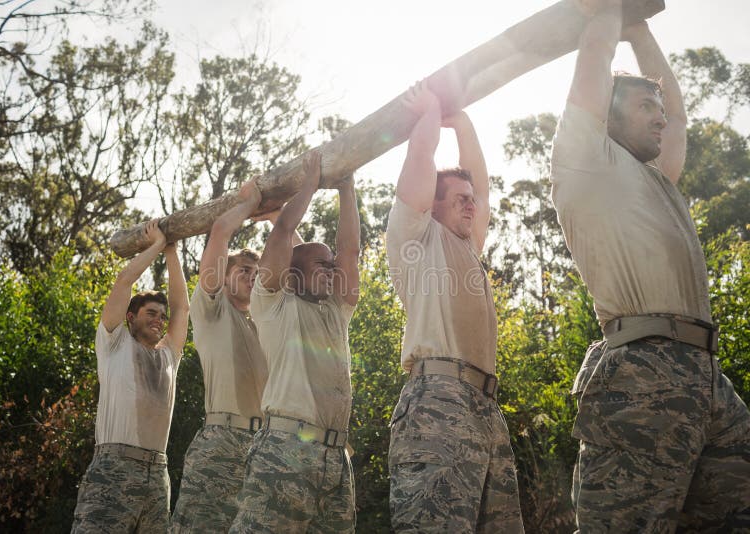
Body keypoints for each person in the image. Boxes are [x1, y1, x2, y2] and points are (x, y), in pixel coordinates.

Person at [550, 2, 750, 530]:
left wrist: (639, 31)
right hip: (641, 373)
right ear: (609, 116)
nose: (661, 117)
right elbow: (594, 56)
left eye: (657, 108)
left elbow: (680, 116)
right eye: (645, 106)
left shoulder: (658, 178)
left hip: (706, 378)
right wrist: (610, 13)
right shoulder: (586, 161)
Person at [385, 80, 524, 532]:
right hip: (437, 399)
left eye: (472, 200)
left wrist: (461, 121)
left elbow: (480, 182)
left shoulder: (471, 246)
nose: (471, 203)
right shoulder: (417, 239)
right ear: (434, 204)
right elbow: (420, 162)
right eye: (460, 199)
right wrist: (429, 114)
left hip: (486, 406)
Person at [229, 151, 360, 533]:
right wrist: (311, 181)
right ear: (293, 274)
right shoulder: (272, 304)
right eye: (322, 265)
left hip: (336, 458)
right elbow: (284, 232)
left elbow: (350, 251)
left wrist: (347, 188)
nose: (333, 270)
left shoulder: (335, 311)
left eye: (332, 266)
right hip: (285, 451)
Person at [71, 220, 189, 533]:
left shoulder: (168, 356)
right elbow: (124, 282)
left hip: (157, 473)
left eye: (161, 317)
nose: (159, 320)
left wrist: (172, 251)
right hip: (114, 468)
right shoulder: (114, 343)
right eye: (151, 313)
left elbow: (182, 309)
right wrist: (154, 246)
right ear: (130, 317)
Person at [170, 178, 271, 532]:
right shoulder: (212, 310)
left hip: (265, 449)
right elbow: (219, 232)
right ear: (224, 277)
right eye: (243, 271)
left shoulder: (264, 323)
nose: (252, 278)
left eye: (257, 273)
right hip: (221, 443)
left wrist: (278, 217)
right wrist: (248, 204)